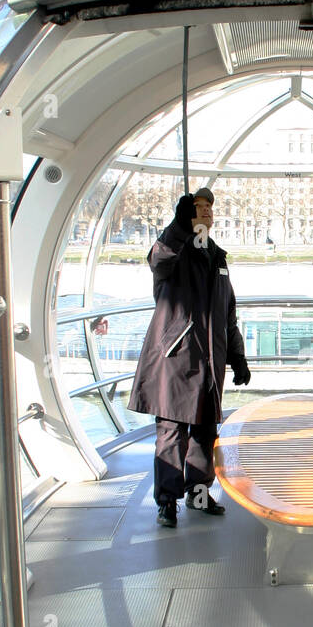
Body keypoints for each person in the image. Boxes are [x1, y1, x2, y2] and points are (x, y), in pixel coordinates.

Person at [128, 186, 250, 528]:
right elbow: (158, 258)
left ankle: (198, 495)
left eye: (209, 209)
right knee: (171, 432)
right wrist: (179, 226)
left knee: (203, 432)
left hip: (209, 361)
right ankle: (167, 502)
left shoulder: (218, 258)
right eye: (199, 209)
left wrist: (237, 356)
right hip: (176, 358)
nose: (206, 214)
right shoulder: (176, 252)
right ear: (187, 216)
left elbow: (228, 314)